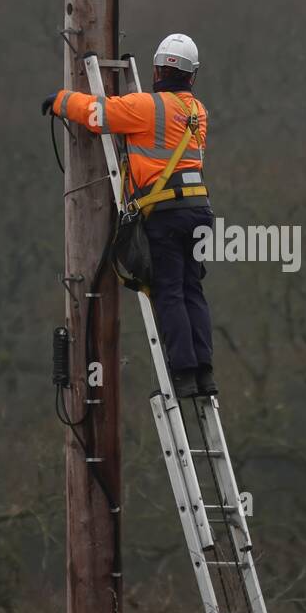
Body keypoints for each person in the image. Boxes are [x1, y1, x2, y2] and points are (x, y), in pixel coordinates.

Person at [42, 34, 217, 400]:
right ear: (191, 76)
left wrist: (60, 100)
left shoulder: (144, 107)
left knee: (169, 291)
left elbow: (96, 114)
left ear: (156, 69)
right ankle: (204, 373)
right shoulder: (197, 112)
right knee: (192, 290)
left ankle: (183, 373)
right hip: (199, 212)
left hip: (164, 214)